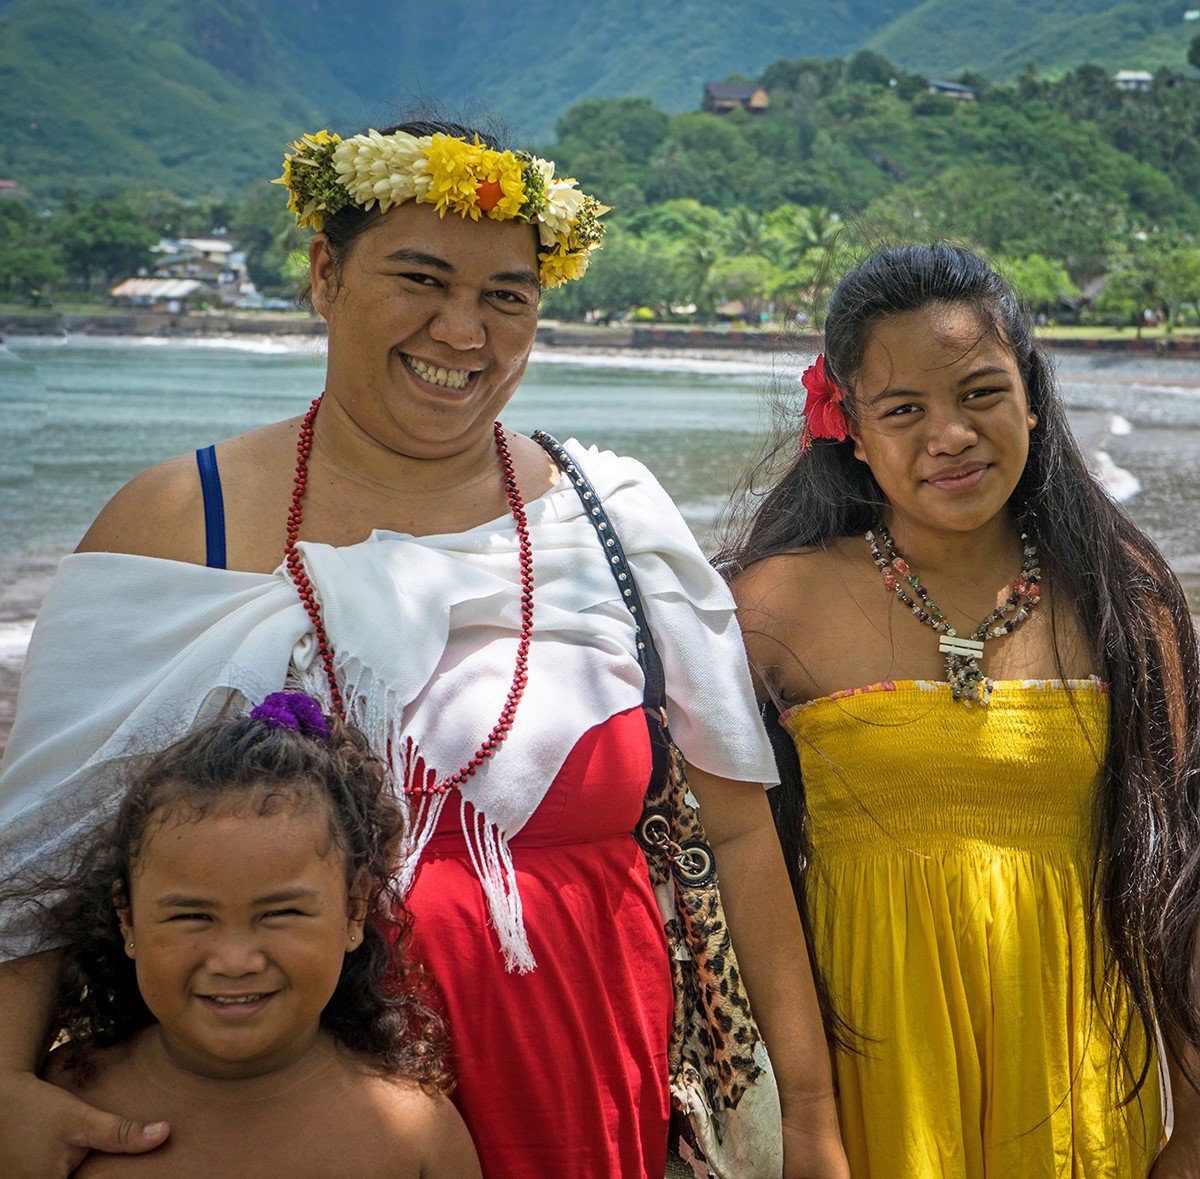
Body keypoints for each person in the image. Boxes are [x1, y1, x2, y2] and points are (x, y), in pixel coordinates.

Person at [0, 121, 847, 1177]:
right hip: (272, 1129)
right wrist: (4, 1084)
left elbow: (736, 834)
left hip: (585, 1093)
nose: (463, 330)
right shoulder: (181, 520)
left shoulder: (613, 517)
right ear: (324, 273)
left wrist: (808, 1121)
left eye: (507, 295)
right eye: (420, 277)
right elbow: (37, 860)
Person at [724, 242, 1200, 1176]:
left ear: (1030, 394)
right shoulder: (774, 609)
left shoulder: (1122, 601)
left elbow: (1181, 878)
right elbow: (732, 876)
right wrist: (806, 1120)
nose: (949, 434)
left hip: (1080, 1070)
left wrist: (1197, 1126)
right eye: (904, 409)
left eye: (981, 393)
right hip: (869, 1077)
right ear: (849, 426)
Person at [13, 691, 480, 1177]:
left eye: (280, 913)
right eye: (191, 917)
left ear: (353, 911)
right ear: (127, 919)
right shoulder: (58, 1111)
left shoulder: (414, 1132)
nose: (235, 961)